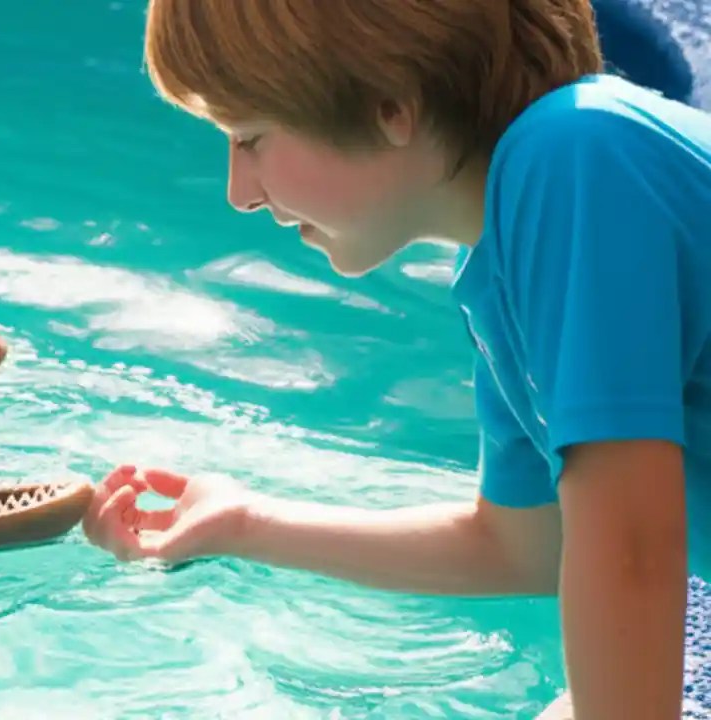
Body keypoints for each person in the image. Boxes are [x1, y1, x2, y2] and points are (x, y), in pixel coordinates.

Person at [80, 1, 711, 718]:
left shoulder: (575, 156)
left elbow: (631, 550)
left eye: (249, 138)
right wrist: (244, 522)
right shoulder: (500, 273)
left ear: (390, 106)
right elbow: (524, 547)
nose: (239, 194)